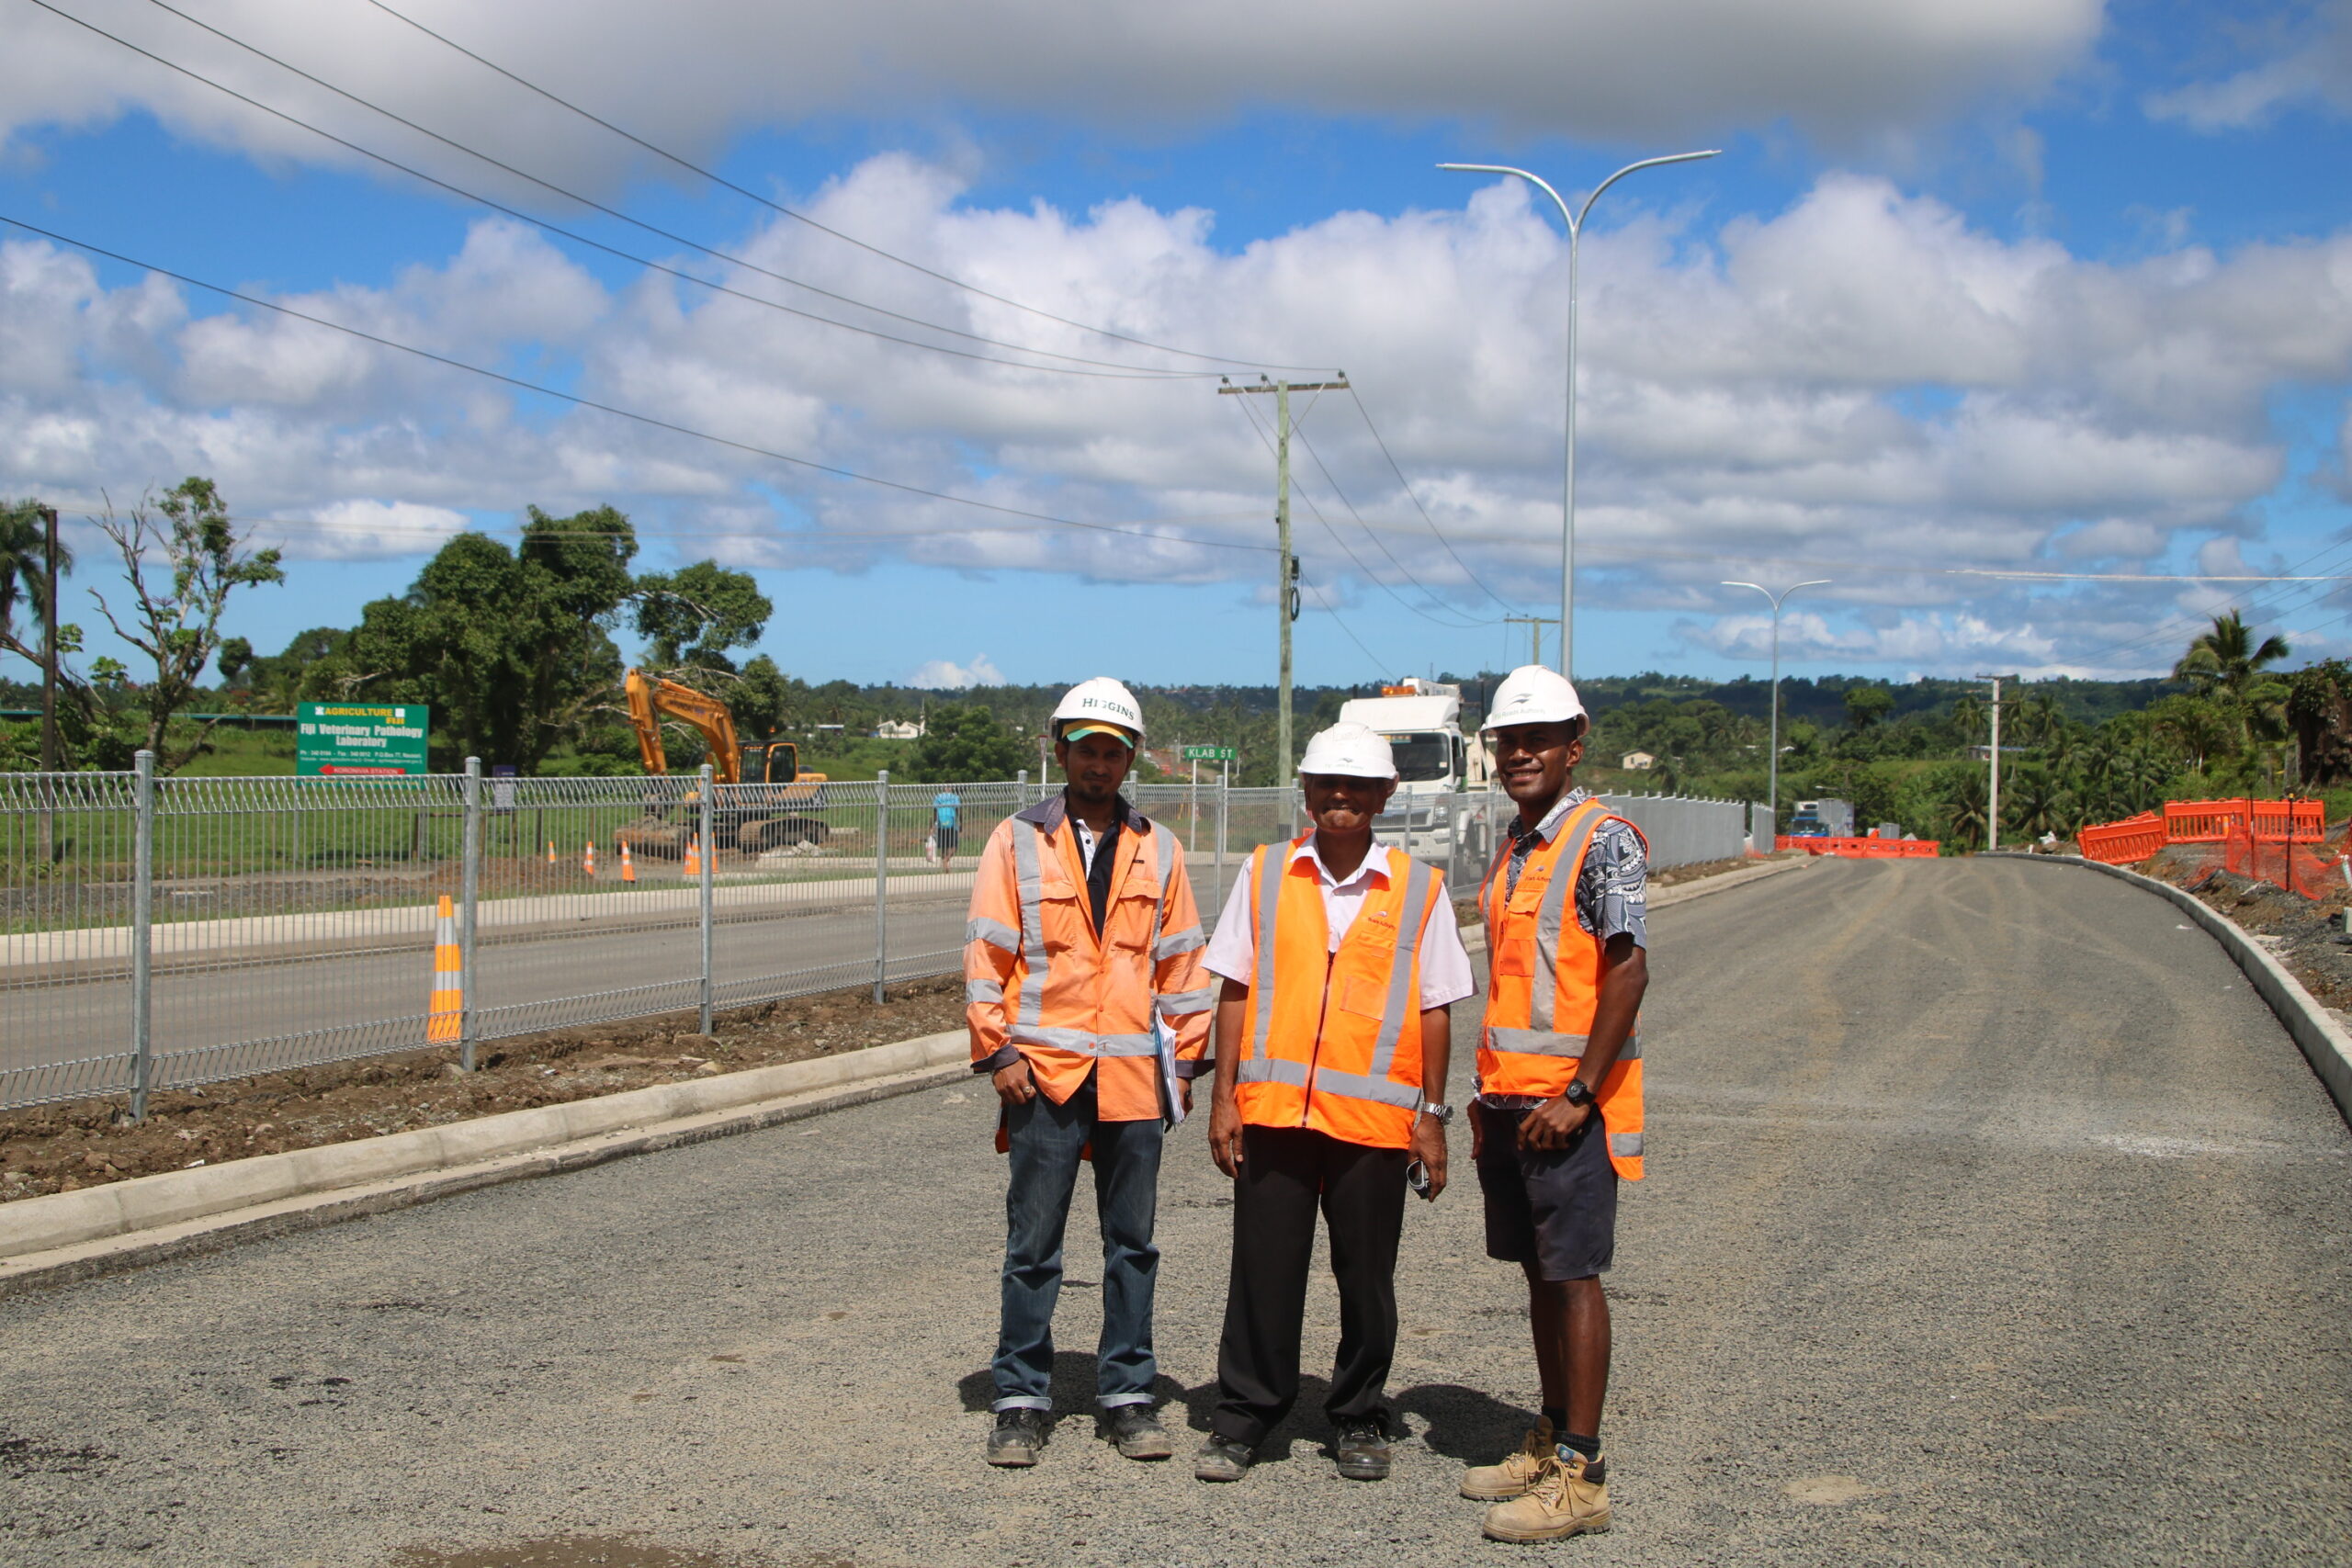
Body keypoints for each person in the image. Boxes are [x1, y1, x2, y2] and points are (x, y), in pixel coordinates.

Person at [1192, 722, 1476, 1484]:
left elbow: (1436, 1008)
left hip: (1374, 1123)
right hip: (1275, 1114)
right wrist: (1224, 1098)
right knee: (1263, 1271)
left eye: (1357, 785)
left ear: (1385, 795)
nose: (1340, 796)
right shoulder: (1265, 872)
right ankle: (1245, 1415)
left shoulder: (1419, 888)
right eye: (1327, 784)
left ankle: (1358, 1414)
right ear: (1307, 792)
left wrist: (1432, 1117)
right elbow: (1235, 987)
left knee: (1366, 1276)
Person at [964, 677, 1214, 1467]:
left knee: (1132, 1243)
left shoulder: (1160, 848)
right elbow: (987, 953)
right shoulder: (1015, 841)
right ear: (1060, 751)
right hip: (1044, 1075)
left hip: (1134, 1079)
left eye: (1112, 751)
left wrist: (1185, 1062)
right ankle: (1020, 1397)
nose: (1098, 763)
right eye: (1085, 749)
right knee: (1033, 1244)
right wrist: (999, 1051)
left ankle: (1128, 1394)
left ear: (1130, 757)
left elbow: (1183, 965)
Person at [1458, 665, 1649, 1543]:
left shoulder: (1602, 839)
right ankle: (1549, 1433)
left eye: (1538, 739)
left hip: (1568, 1108)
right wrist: (1483, 1095)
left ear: (1575, 746)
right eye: (1508, 740)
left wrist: (1579, 1093)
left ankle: (1583, 1469)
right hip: (1511, 1103)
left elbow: (1627, 971)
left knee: (1572, 1274)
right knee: (1539, 1271)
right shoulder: (1517, 844)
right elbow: (1515, 986)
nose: (1520, 753)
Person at [933, 788, 962, 863]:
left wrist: (935, 822)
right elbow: (958, 810)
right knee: (954, 846)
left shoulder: (938, 797)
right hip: (952, 824)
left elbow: (935, 810)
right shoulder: (954, 797)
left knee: (943, 847)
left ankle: (945, 862)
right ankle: (946, 859)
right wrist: (961, 822)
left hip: (941, 824)